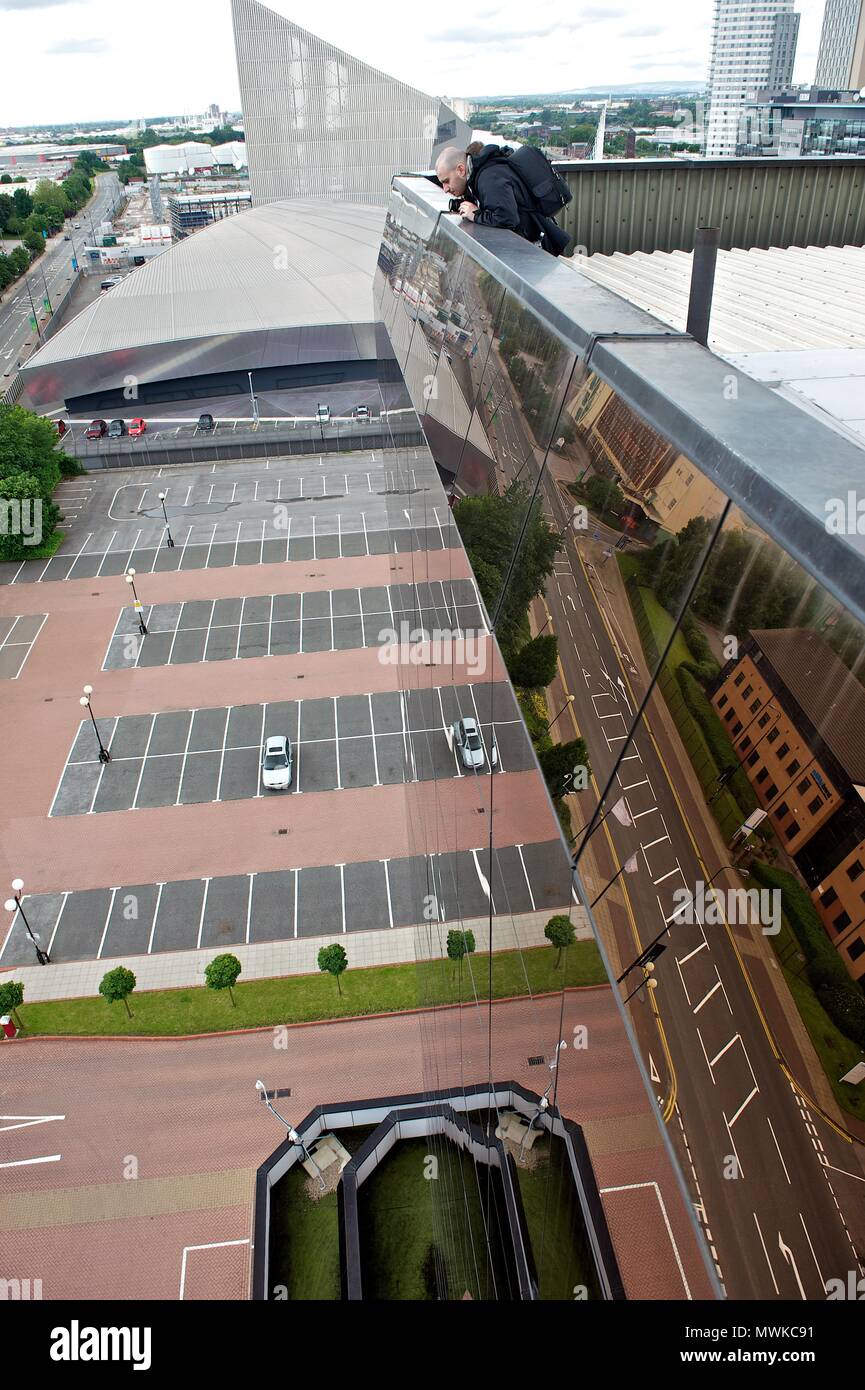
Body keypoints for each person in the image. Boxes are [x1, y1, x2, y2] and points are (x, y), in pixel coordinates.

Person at [436, 143, 567, 255]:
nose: (445, 188)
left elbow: (507, 218)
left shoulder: (489, 178)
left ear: (460, 169)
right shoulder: (480, 174)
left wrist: (475, 215)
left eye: (446, 181)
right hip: (528, 245)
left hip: (534, 250)